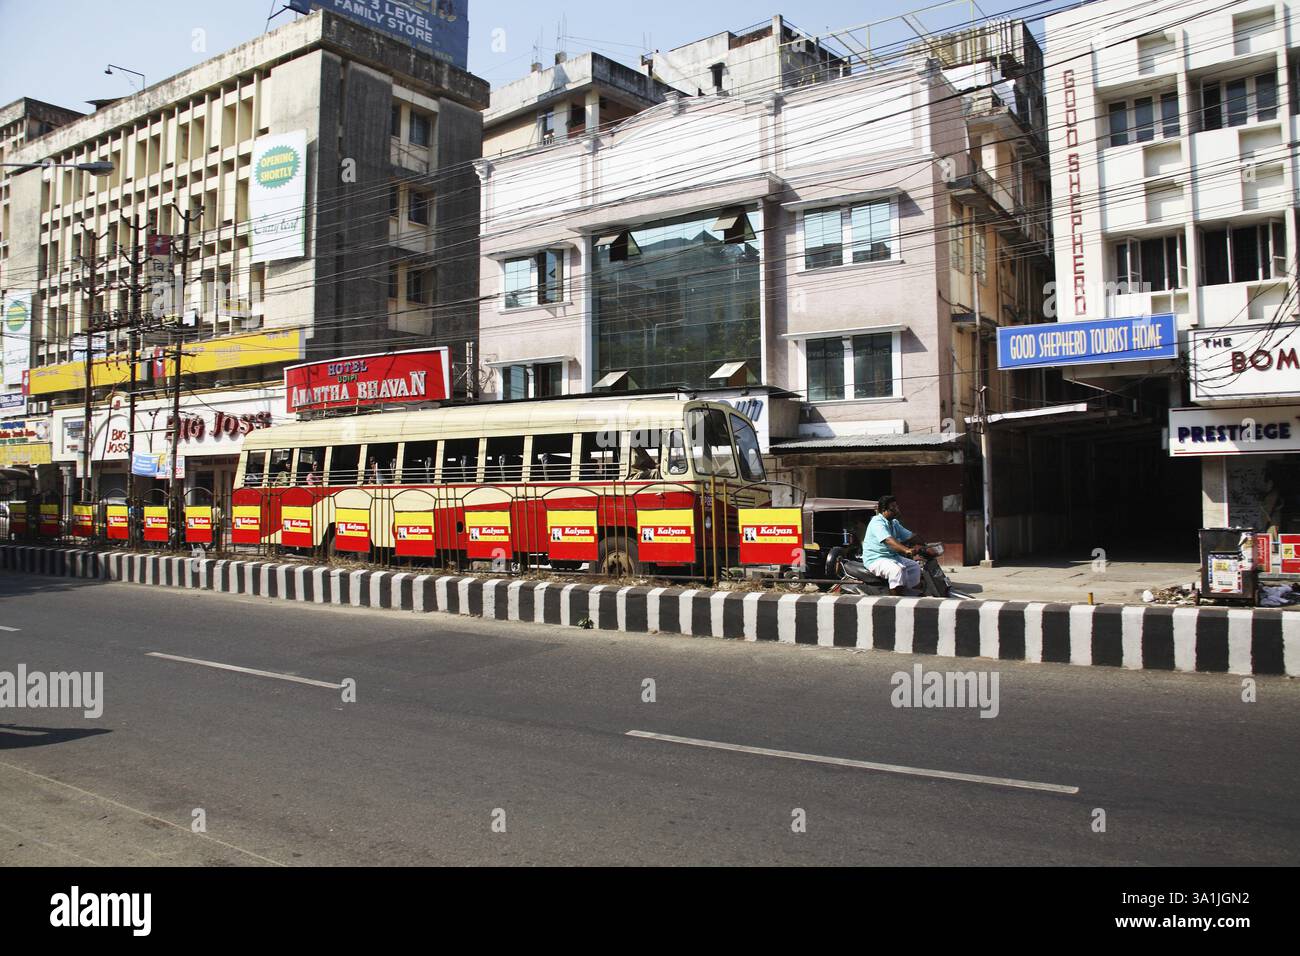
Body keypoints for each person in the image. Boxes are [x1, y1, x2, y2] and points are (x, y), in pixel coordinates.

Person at [862, 495, 925, 595]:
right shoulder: (877, 522)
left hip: (891, 557)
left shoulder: (894, 523)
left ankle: (910, 595)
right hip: (876, 559)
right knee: (897, 570)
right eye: (893, 508)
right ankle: (895, 601)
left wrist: (925, 544)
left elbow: (910, 536)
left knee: (915, 567)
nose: (897, 509)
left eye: (897, 507)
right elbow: (888, 540)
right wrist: (906, 550)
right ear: (884, 510)